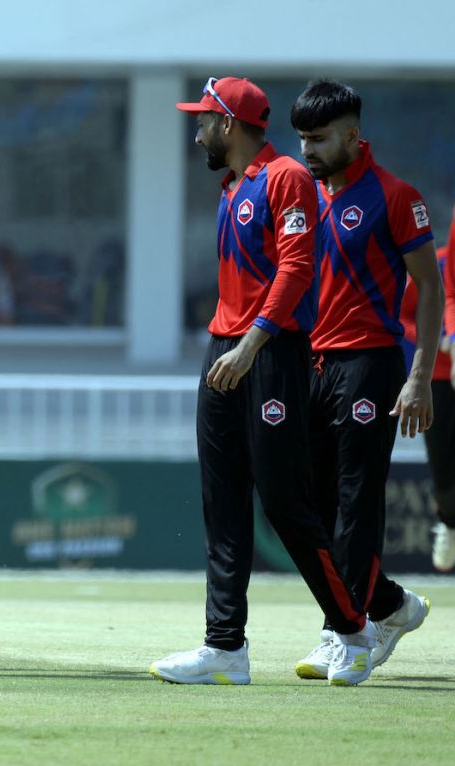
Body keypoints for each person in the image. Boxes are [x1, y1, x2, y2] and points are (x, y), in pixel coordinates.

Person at [150, 77, 375, 686]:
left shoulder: (286, 179)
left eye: (202, 121)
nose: (196, 131)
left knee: (283, 501)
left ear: (228, 124)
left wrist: (252, 344)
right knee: (221, 503)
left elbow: (299, 267)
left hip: (269, 352)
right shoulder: (234, 187)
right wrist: (232, 344)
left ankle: (354, 631)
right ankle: (224, 647)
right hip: (225, 348)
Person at [289, 80, 436, 678]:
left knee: (355, 505)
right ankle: (391, 605)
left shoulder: (396, 196)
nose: (307, 150)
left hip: (371, 364)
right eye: (301, 139)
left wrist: (420, 376)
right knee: (311, 508)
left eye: (319, 138)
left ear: (353, 134)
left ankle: (344, 636)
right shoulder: (300, 198)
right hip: (312, 365)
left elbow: (431, 287)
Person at [400, 243, 455, 572]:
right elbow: (404, 315)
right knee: (443, 462)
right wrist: (440, 339)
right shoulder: (436, 261)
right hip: (436, 375)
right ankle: (449, 523)